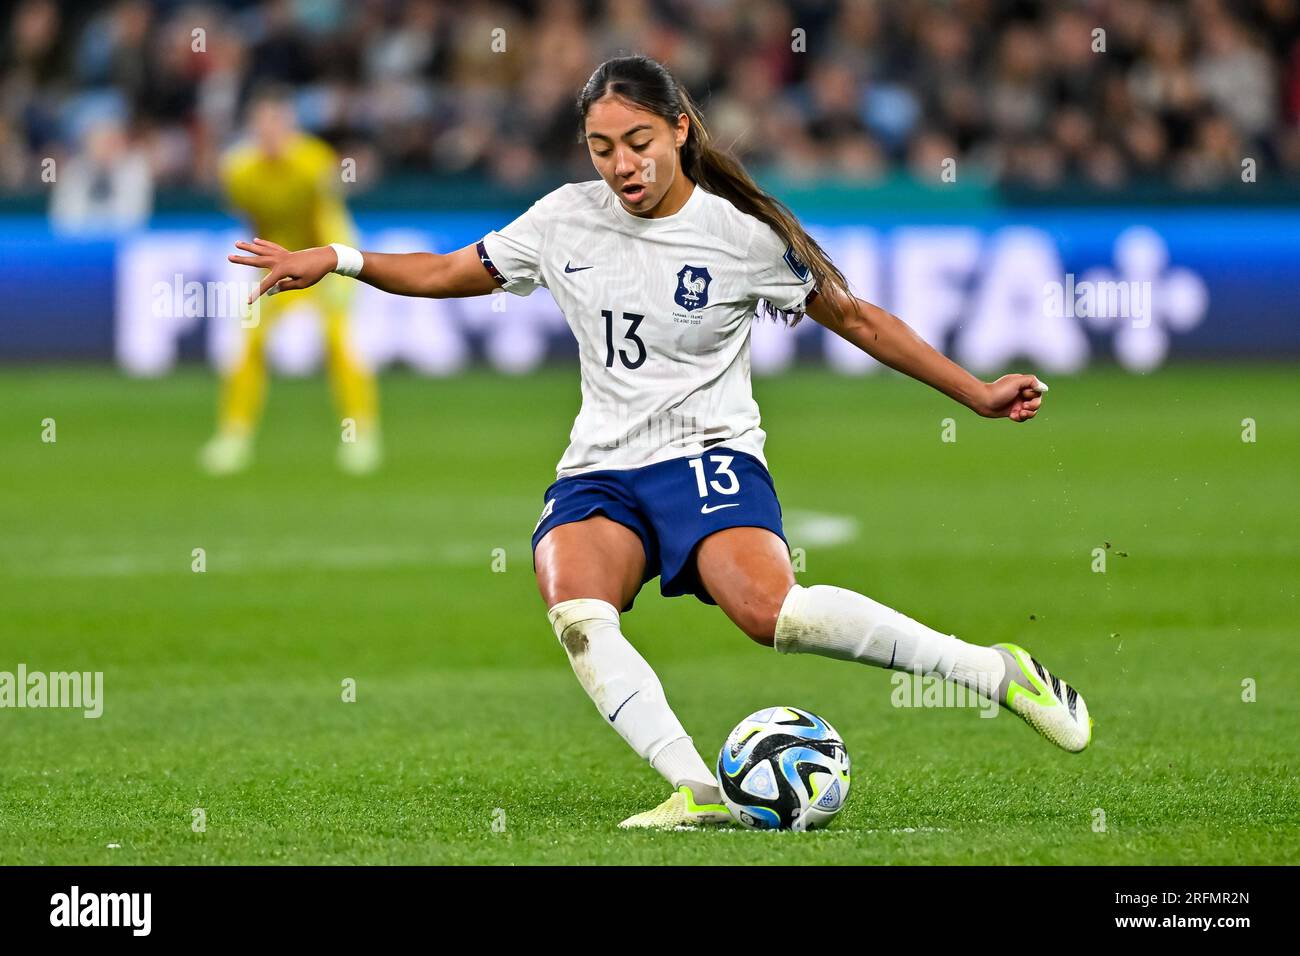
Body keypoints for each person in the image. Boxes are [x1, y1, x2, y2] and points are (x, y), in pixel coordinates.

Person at [228, 56, 1091, 829]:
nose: (621, 165)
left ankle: (991, 670)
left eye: (637, 141)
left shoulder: (740, 237)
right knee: (574, 609)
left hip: (708, 456)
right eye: (601, 148)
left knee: (771, 615)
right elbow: (455, 270)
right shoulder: (564, 220)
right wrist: (338, 257)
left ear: (680, 129)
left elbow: (857, 318)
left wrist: (975, 392)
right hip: (602, 466)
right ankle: (697, 789)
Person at [201, 87, 380, 476]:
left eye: (277, 125)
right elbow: (252, 219)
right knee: (250, 342)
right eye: (263, 127)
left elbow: (329, 217)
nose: (271, 135)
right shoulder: (239, 172)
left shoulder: (313, 162)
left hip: (321, 258)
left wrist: (336, 267)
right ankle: (234, 435)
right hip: (279, 265)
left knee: (338, 342)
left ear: (290, 128)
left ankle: (361, 434)